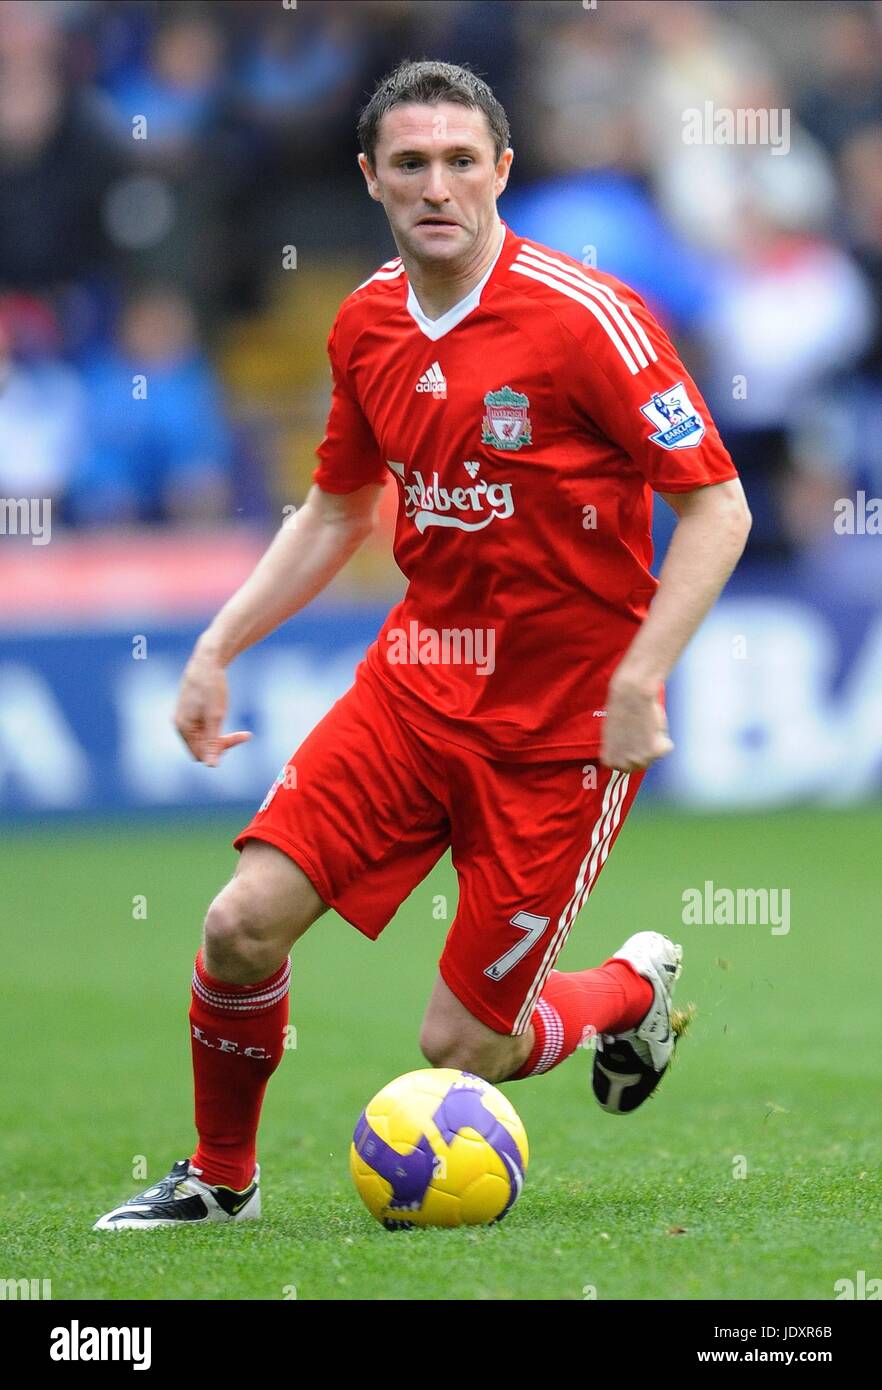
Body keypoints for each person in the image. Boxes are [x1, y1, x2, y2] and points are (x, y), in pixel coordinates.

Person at [94, 60, 750, 1229]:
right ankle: (220, 1180)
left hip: (559, 734)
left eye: (461, 161)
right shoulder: (364, 324)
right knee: (239, 924)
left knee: (464, 1046)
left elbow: (719, 505)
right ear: (371, 178)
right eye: (411, 163)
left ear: (503, 169)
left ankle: (630, 989)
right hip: (414, 689)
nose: (436, 184)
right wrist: (217, 643)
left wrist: (642, 672)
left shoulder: (586, 319)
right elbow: (339, 507)